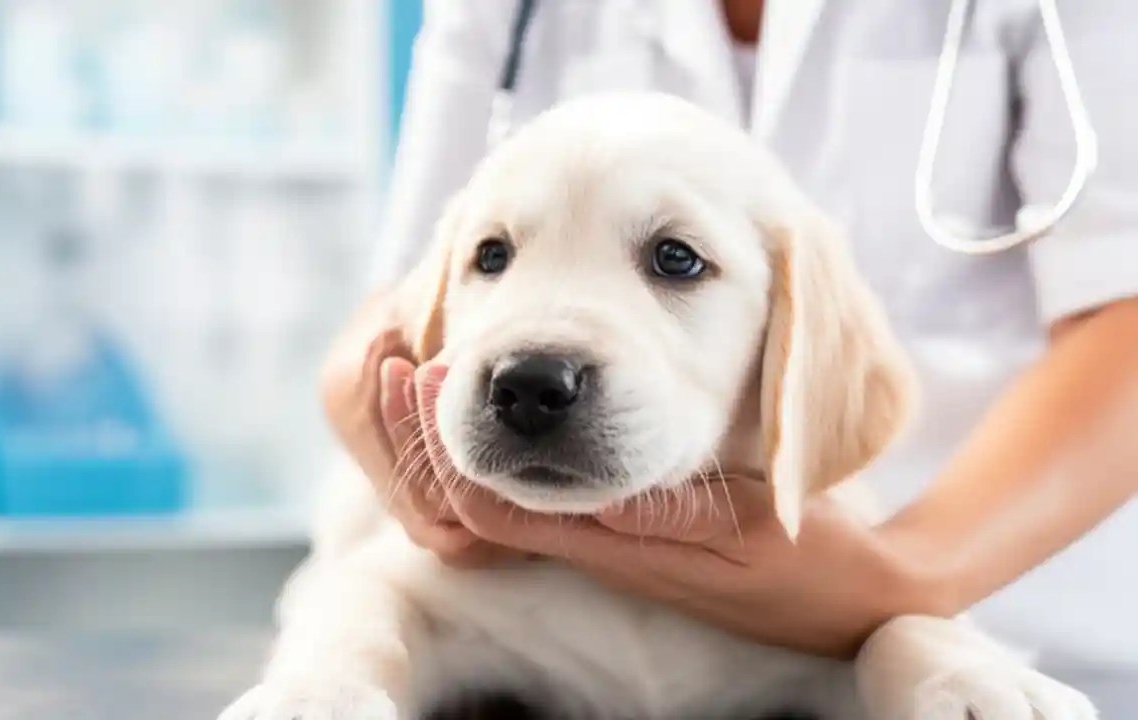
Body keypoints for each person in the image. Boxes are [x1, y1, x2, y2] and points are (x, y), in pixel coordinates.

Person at [323, 0, 1138, 663]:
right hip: (536, 625)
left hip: (1003, 609)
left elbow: (1124, 304)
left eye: (675, 259)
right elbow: (400, 300)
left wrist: (904, 578)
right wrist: (394, 434)